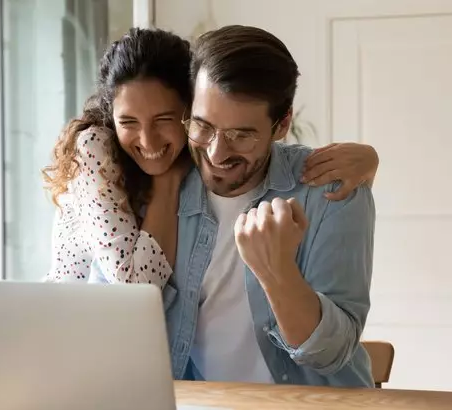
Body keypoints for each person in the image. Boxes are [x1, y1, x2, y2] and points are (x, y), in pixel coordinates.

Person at [43, 27, 379, 289]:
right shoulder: (96, 148)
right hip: (71, 327)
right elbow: (136, 287)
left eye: (163, 120)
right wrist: (168, 182)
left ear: (191, 108)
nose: (147, 141)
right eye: (128, 122)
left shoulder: (201, 152)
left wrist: (368, 158)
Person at [164, 25, 375, 387]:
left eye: (241, 134)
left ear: (282, 125)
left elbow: (331, 353)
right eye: (203, 126)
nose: (216, 152)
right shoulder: (163, 184)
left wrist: (276, 270)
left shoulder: (332, 190)